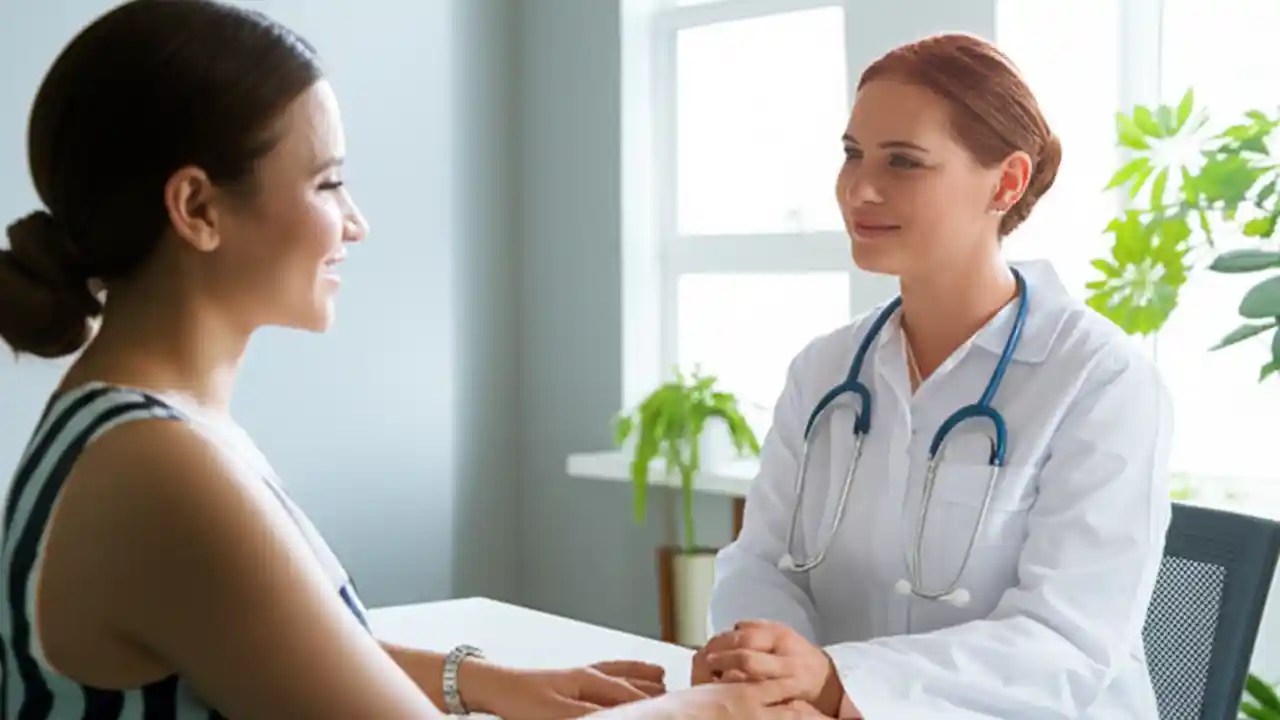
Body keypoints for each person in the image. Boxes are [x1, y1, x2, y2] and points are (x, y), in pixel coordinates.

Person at [0, 2, 822, 718]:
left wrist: (488, 682)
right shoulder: (158, 466)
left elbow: (262, 639)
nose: (354, 223)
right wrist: (707, 707)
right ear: (197, 208)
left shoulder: (138, 425)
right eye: (327, 183)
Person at [694, 32, 1174, 719]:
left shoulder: (1101, 381)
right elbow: (760, 565)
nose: (859, 189)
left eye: (904, 161)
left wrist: (836, 681)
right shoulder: (824, 372)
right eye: (853, 153)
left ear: (1006, 183)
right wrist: (768, 667)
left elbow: (1065, 642)